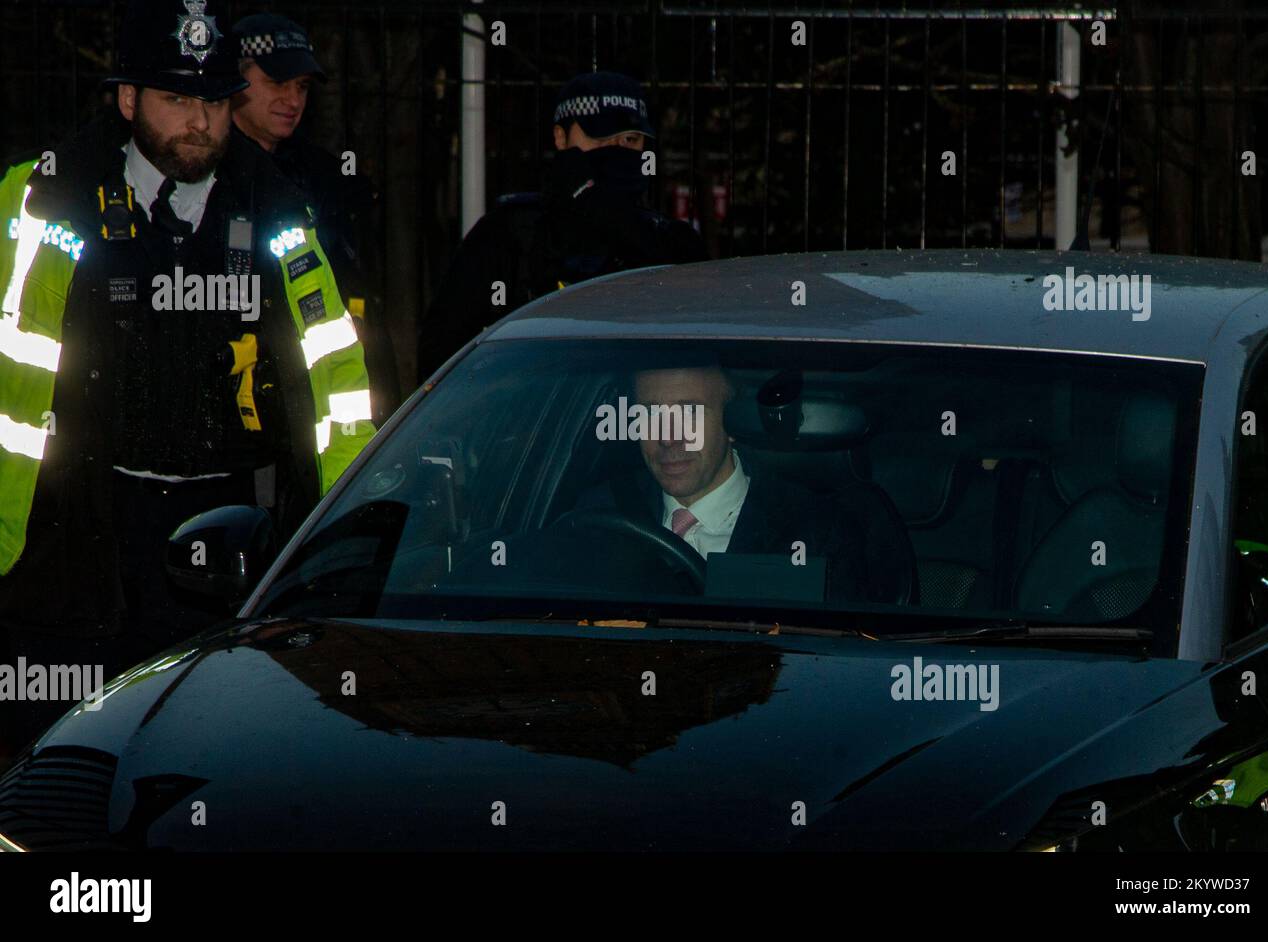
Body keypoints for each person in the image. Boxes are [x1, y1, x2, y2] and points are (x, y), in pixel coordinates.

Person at [0, 0, 374, 765]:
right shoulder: (50, 202)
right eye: (177, 100)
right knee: (69, 764)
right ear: (129, 99)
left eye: (212, 100)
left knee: (216, 764)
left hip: (230, 530)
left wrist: (345, 548)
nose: (200, 123)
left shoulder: (276, 213)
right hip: (79, 530)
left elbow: (336, 378)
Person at [417, 71, 708, 379]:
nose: (616, 150)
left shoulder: (668, 240)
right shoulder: (509, 232)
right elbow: (443, 356)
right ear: (560, 137)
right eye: (599, 138)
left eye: (630, 140)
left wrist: (604, 212)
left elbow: (701, 349)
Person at [578, 365, 913, 605]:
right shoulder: (599, 515)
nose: (668, 437)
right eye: (651, 414)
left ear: (733, 422)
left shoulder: (815, 530)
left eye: (690, 413)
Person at [231, 13, 400, 425]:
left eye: (302, 87)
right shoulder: (204, 175)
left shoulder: (326, 179)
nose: (293, 100)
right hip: (240, 415)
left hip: (324, 406)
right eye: (277, 83)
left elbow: (358, 301)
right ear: (233, 78)